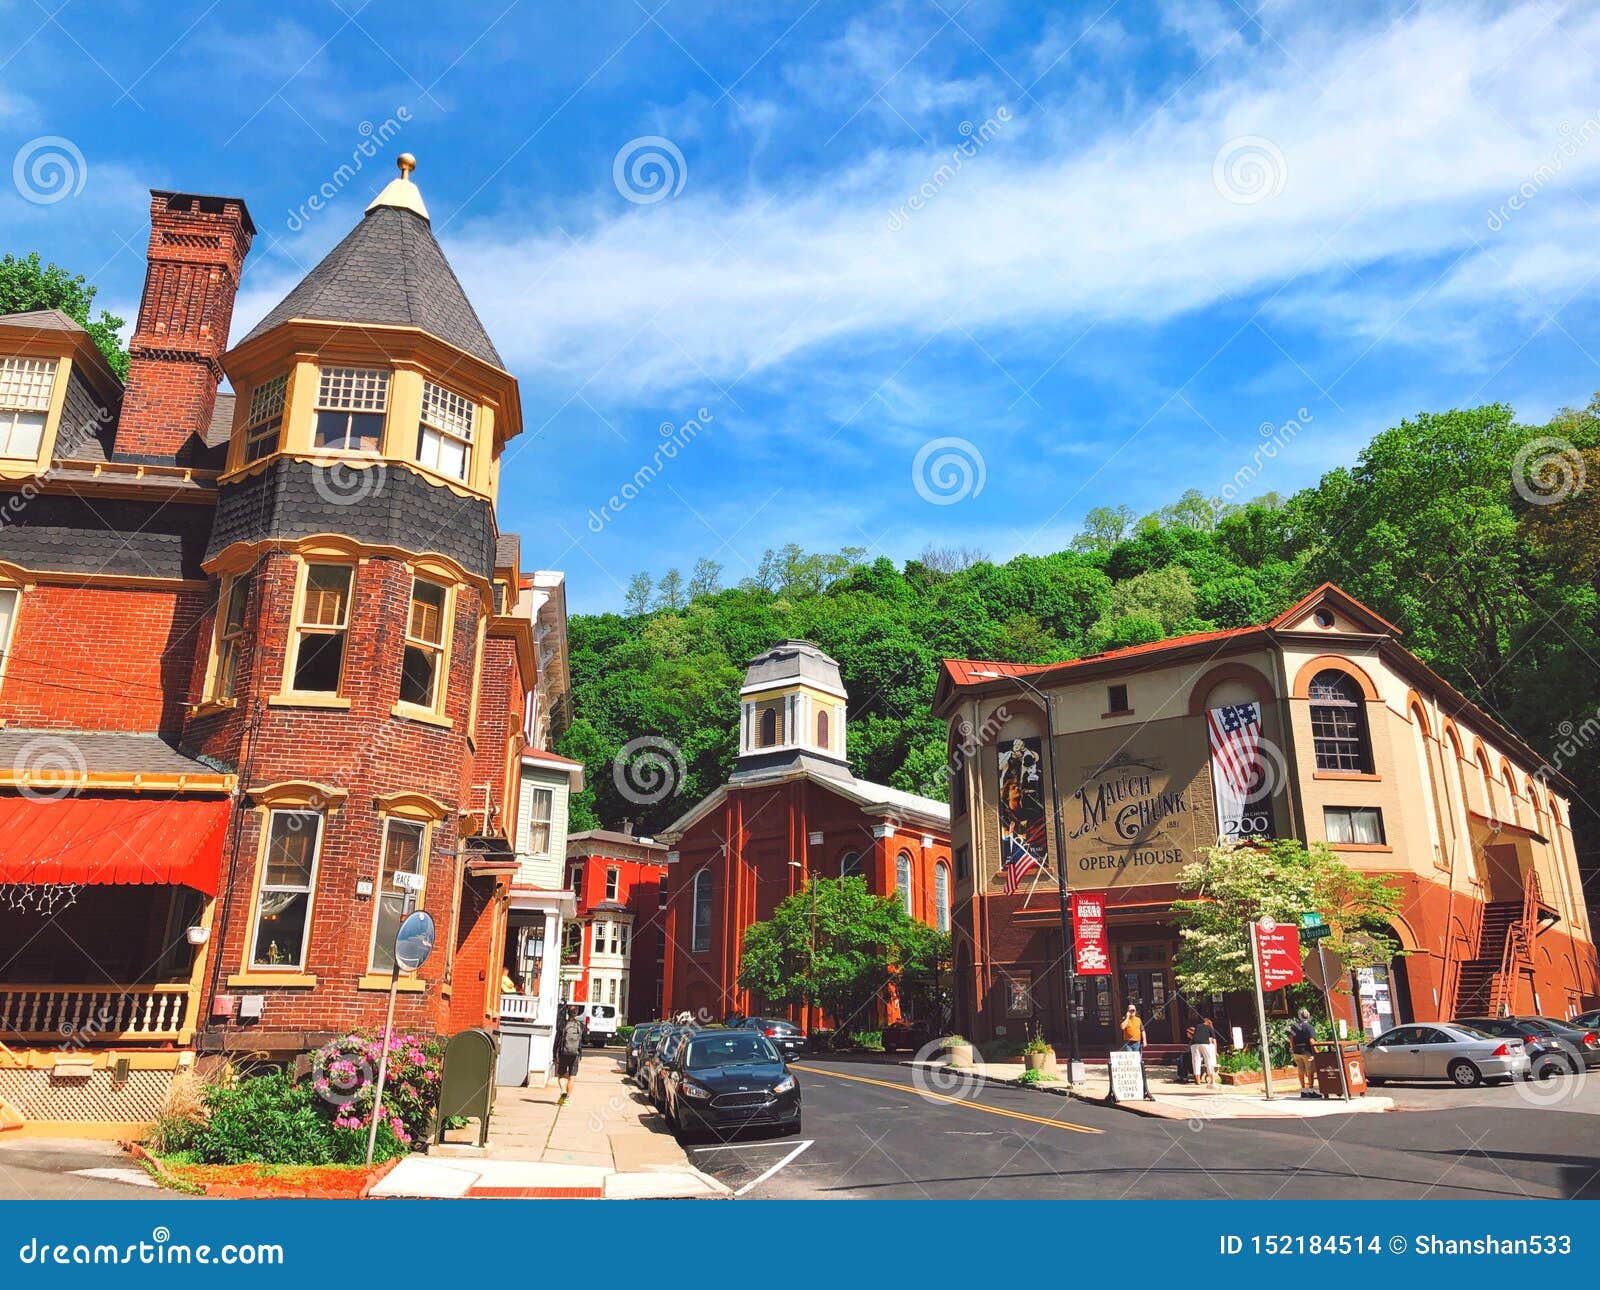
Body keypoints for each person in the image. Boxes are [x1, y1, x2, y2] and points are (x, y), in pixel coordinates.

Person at [555, 1004, 585, 1104]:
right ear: (576, 1013)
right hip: (575, 1054)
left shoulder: (562, 1025)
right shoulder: (580, 1025)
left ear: (567, 1012)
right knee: (572, 1076)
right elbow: (584, 1040)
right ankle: (566, 1099)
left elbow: (556, 1041)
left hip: (563, 1053)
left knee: (561, 1074)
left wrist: (554, 1054)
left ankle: (563, 1090)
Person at [1289, 1007, 1319, 1097]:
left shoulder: (1294, 1026)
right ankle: (1311, 1091)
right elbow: (1311, 1041)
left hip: (1296, 1052)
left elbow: (1291, 1039)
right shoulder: (1309, 1027)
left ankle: (1303, 1090)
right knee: (1310, 1071)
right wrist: (1317, 1052)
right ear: (1308, 1017)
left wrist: (1292, 1049)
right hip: (1307, 1052)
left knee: (1300, 1071)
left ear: (1299, 1016)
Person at [1189, 1016, 1220, 1088]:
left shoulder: (1197, 1026)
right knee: (1208, 1061)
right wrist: (1215, 1051)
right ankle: (1212, 1080)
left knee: (1196, 1061)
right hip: (1205, 1044)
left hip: (1194, 1044)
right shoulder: (1210, 1027)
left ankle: (1198, 1081)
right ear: (1209, 1023)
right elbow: (1214, 1041)